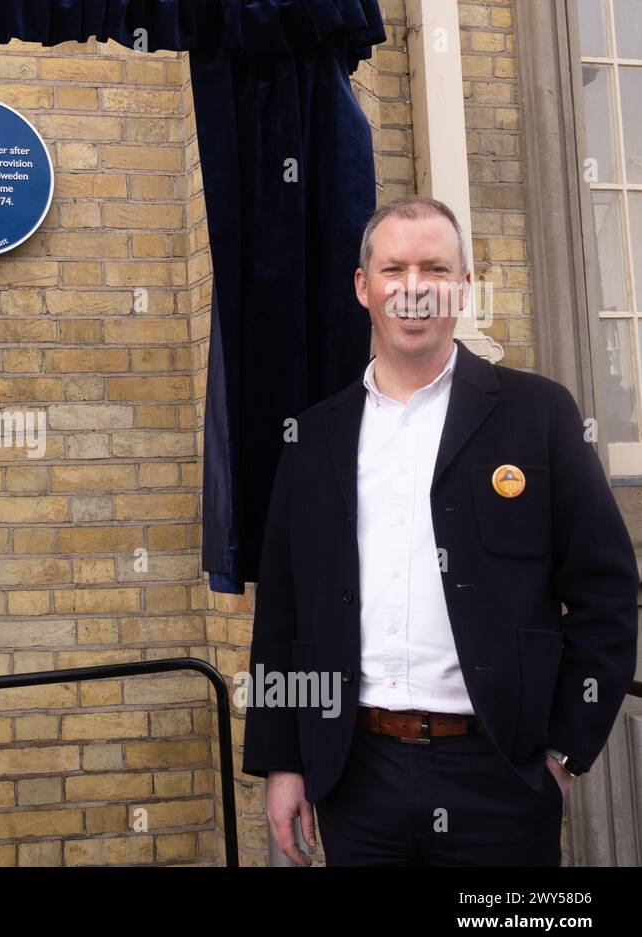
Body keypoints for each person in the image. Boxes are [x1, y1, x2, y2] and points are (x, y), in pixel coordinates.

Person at [242, 196, 638, 866]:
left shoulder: (536, 414)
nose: (414, 288)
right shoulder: (313, 436)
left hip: (499, 778)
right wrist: (283, 762)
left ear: (464, 286)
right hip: (356, 777)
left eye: (435, 268)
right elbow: (284, 614)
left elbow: (605, 592)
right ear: (364, 287)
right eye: (394, 269)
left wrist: (564, 751)